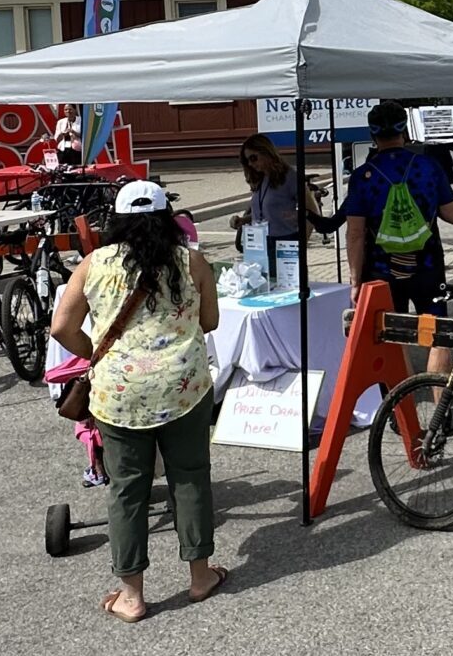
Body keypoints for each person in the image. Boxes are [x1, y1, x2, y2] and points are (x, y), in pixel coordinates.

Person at [51, 180, 226, 622]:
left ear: (118, 220)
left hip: (119, 392)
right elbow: (210, 321)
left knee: (127, 489)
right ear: (168, 218)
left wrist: (98, 353)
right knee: (190, 476)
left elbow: (61, 327)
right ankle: (200, 575)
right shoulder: (192, 261)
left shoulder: (94, 264)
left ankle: (131, 595)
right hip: (184, 386)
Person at [344, 103, 453, 374]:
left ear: (372, 135)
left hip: (382, 269)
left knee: (394, 333)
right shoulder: (427, 166)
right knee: (438, 332)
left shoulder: (363, 176)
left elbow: (355, 234)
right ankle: (442, 406)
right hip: (428, 265)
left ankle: (402, 409)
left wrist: (354, 281)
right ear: (404, 130)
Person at [230, 134, 321, 251]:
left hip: (284, 241)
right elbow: (269, 213)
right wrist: (243, 220)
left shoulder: (289, 176)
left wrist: (301, 245)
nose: (250, 164)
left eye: (253, 158)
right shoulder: (260, 178)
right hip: (259, 243)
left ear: (266, 152)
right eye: (247, 161)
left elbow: (312, 211)